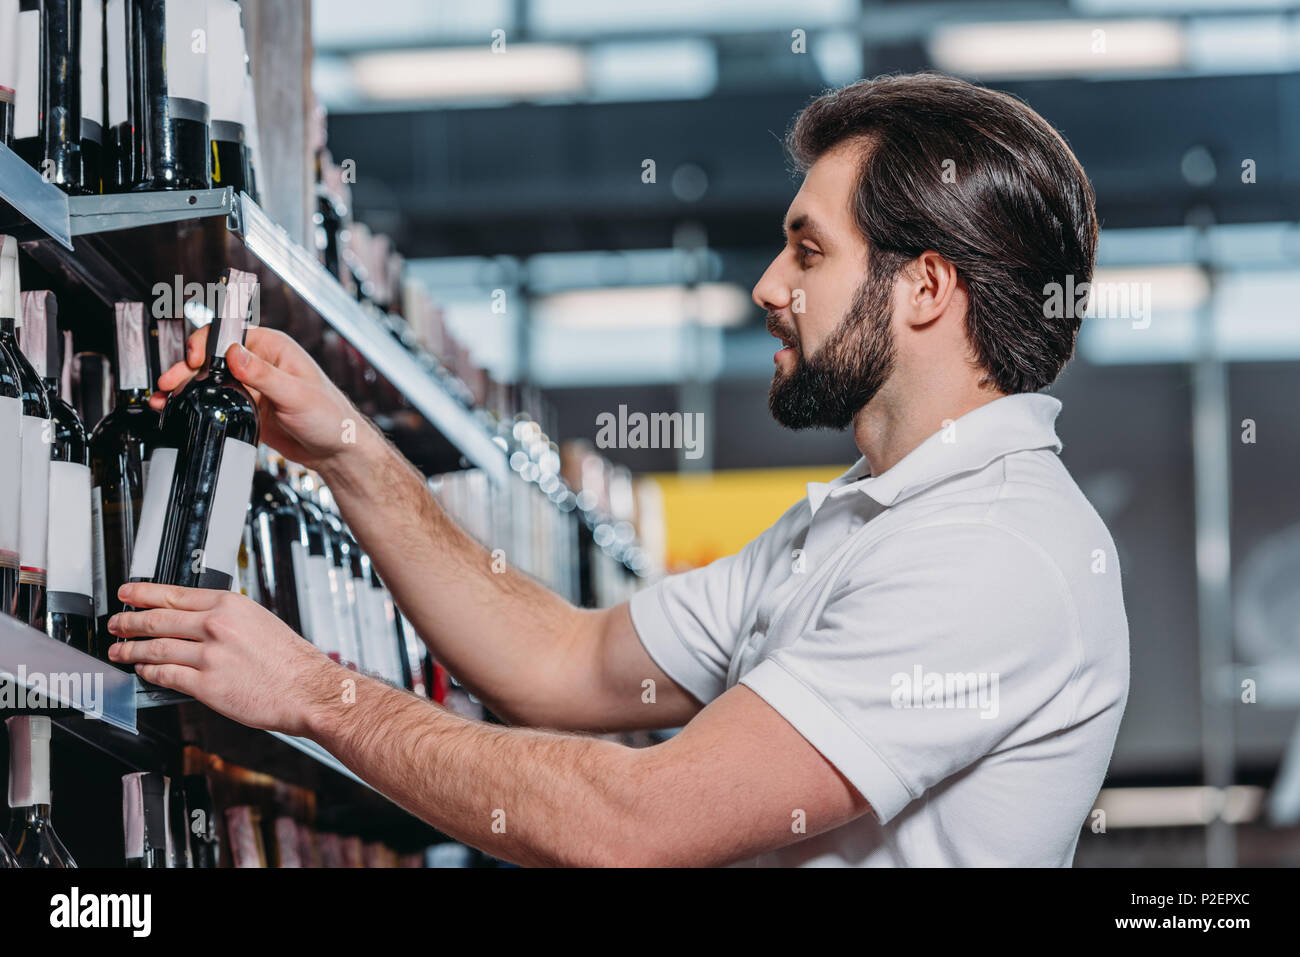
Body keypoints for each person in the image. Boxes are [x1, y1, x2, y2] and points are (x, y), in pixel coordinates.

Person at [108, 72, 1129, 867]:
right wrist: (347, 452)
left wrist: (309, 693)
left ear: (924, 290)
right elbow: (565, 663)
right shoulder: (861, 524)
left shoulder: (989, 553)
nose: (768, 287)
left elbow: (633, 823)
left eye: (807, 251)